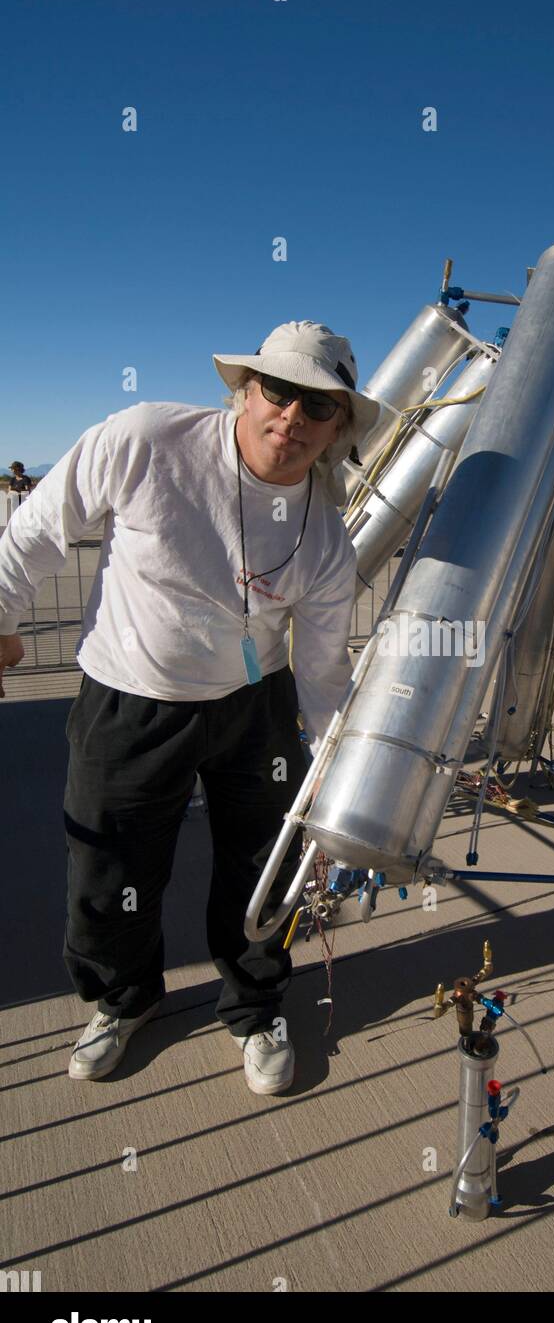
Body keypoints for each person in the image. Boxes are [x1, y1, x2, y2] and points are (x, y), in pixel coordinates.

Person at [0, 322, 380, 1093]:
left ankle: (256, 1005)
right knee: (109, 870)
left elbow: (321, 668)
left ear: (339, 427)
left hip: (255, 704)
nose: (293, 418)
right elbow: (41, 528)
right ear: (245, 390)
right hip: (131, 695)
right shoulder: (148, 440)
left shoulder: (326, 539)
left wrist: (337, 770)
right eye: (280, 391)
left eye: (319, 406)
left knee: (260, 865)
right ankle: (122, 998)